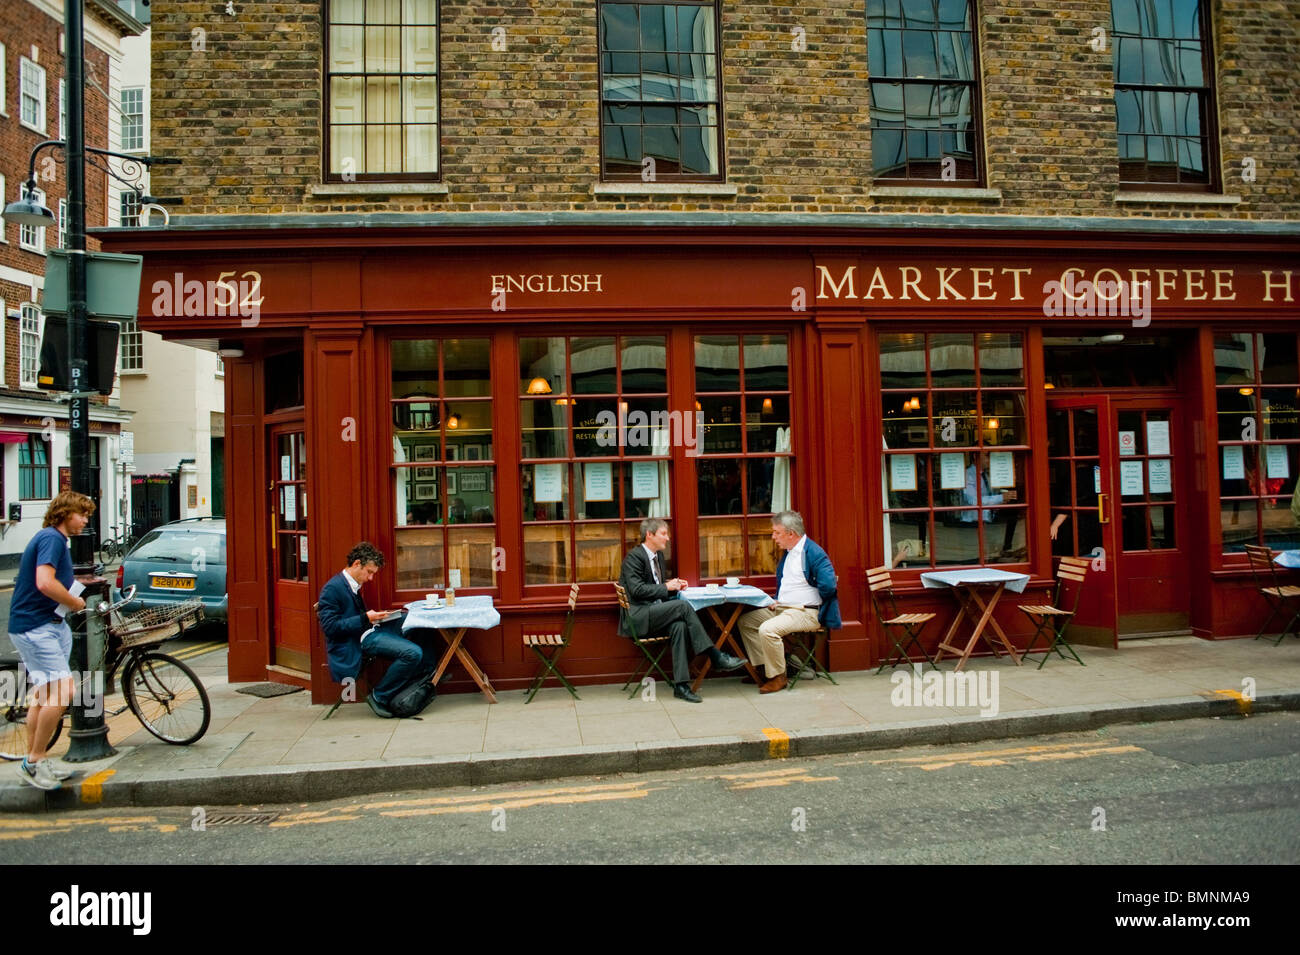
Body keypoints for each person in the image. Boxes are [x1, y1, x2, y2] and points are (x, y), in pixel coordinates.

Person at [9, 491, 93, 790]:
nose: (85, 520)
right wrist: (74, 601)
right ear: (65, 513)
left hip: (46, 625)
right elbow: (45, 582)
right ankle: (34, 761)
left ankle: (35, 761)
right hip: (36, 627)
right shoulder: (52, 539)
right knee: (64, 690)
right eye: (81, 514)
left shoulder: (53, 539)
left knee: (44, 696)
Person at [618, 517, 746, 703]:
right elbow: (637, 591)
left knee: (679, 626)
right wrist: (667, 587)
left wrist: (673, 586)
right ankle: (715, 655)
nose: (667, 538)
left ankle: (681, 686)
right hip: (638, 617)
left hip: (654, 612)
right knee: (682, 606)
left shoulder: (658, 557)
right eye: (663, 534)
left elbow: (654, 588)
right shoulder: (634, 558)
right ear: (649, 535)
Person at [318, 542, 435, 718]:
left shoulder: (351, 584)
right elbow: (330, 628)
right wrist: (366, 618)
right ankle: (379, 696)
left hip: (369, 629)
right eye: (369, 572)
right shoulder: (332, 589)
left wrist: (378, 617)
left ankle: (423, 675)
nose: (371, 578)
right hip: (357, 641)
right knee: (413, 653)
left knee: (416, 621)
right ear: (357, 564)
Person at [738, 510, 841, 693]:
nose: (773, 537)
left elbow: (829, 586)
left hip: (806, 612)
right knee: (746, 622)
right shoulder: (789, 552)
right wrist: (780, 600)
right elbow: (790, 583)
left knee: (768, 629)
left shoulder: (814, 553)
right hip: (784, 608)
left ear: (791, 533)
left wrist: (805, 600)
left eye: (777, 532)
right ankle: (764, 669)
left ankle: (778, 677)